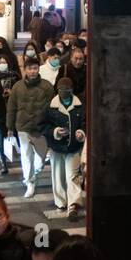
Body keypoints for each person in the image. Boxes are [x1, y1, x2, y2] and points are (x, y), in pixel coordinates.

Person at [7, 58, 55, 199]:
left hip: (41, 127)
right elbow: (11, 108)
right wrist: (10, 126)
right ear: (25, 70)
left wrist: (52, 126)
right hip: (23, 126)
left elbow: (52, 109)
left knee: (41, 158)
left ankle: (34, 174)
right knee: (26, 156)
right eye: (30, 68)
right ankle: (29, 182)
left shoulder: (47, 86)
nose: (33, 71)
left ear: (38, 69)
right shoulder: (17, 87)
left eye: (35, 68)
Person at [42, 78, 86, 219]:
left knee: (72, 176)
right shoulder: (50, 106)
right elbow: (43, 126)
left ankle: (73, 205)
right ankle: (61, 202)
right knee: (58, 176)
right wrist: (55, 131)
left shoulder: (80, 106)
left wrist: (81, 132)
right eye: (61, 90)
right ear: (57, 90)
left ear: (72, 90)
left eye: (67, 89)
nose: (64, 92)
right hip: (56, 148)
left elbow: (85, 122)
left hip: (73, 147)